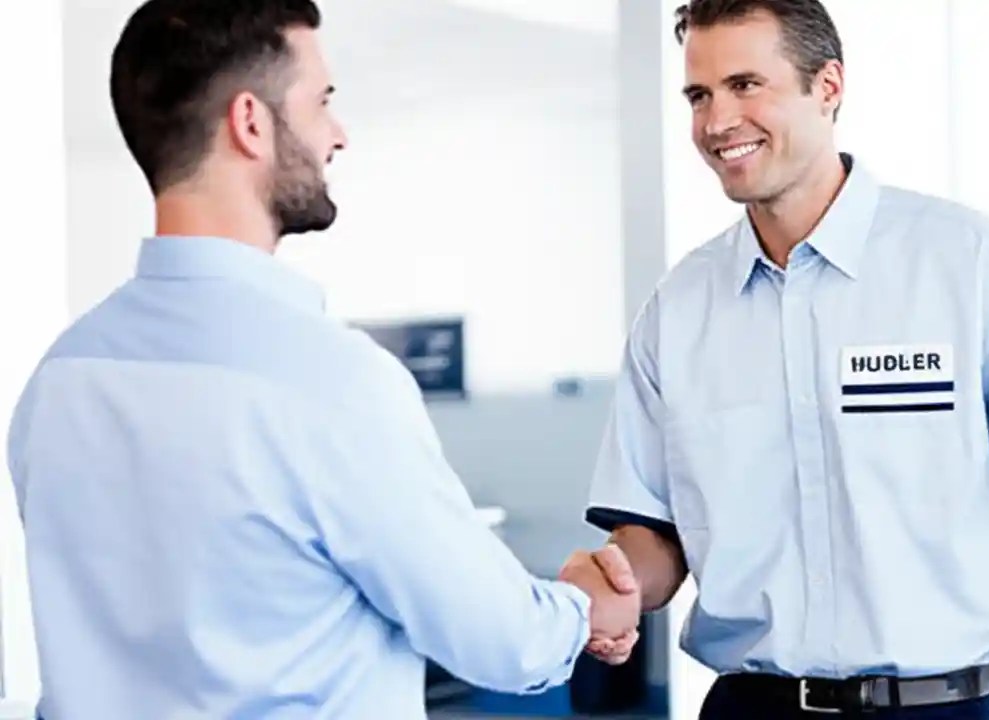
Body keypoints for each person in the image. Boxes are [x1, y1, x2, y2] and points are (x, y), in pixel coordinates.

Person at [4, 1, 638, 718]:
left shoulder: (59, 379)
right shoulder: (331, 383)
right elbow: (500, 638)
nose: (336, 134)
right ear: (251, 122)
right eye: (322, 102)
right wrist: (585, 605)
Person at [562, 1, 989, 718]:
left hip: (941, 708)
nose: (716, 122)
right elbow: (655, 534)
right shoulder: (676, 313)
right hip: (749, 706)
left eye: (745, 85)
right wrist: (613, 583)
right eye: (699, 95)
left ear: (828, 87)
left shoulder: (965, 262)